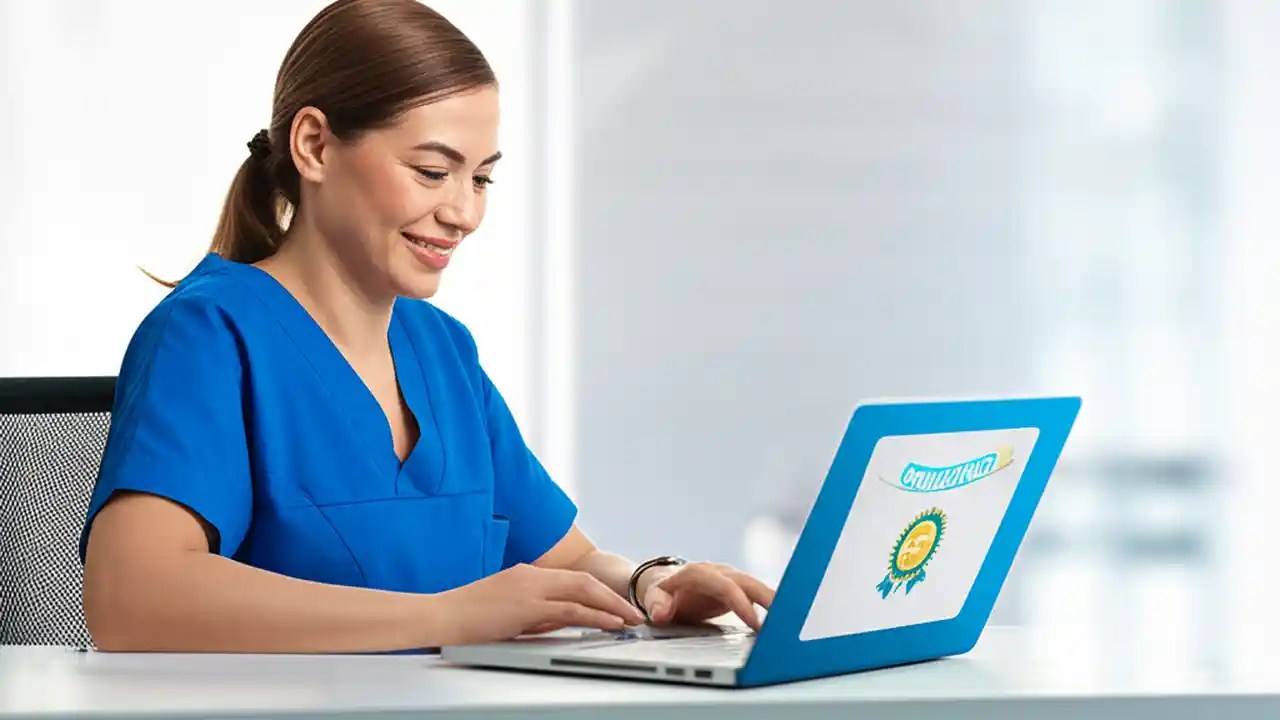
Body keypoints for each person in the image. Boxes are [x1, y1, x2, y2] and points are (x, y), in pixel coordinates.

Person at [79, 0, 774, 653]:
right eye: (433, 170)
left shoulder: (442, 351)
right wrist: (450, 616)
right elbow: (132, 597)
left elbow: (568, 559)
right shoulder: (209, 335)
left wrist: (649, 583)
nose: (464, 213)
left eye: (481, 180)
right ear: (315, 146)